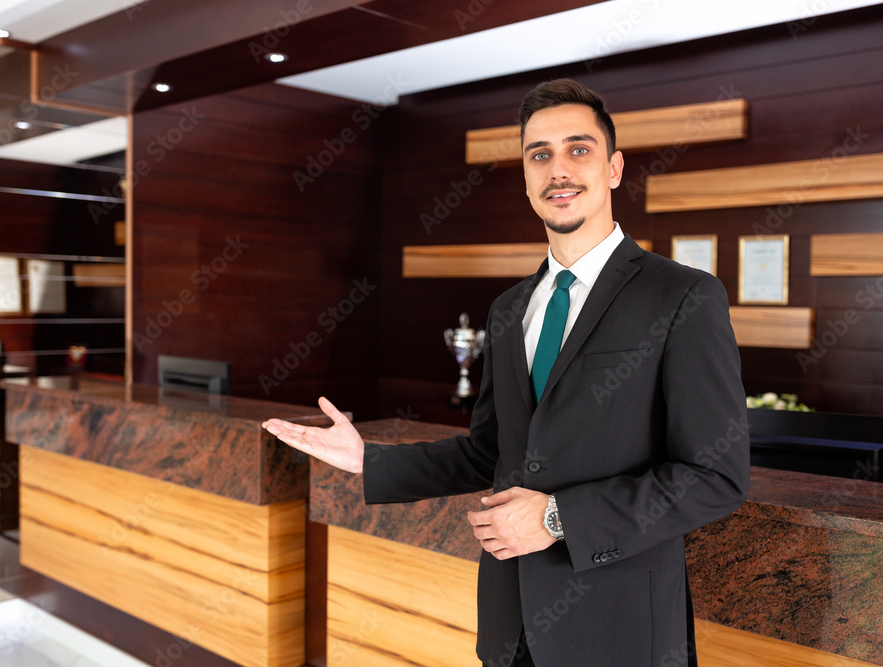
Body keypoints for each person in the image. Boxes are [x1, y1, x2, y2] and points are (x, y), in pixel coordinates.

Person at [263, 78, 750, 667]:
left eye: (579, 149)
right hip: (509, 624)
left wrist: (555, 518)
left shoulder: (684, 296)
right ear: (525, 179)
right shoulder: (509, 309)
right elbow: (491, 450)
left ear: (615, 168)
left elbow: (715, 477)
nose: (558, 170)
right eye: (539, 155)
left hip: (618, 631)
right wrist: (370, 459)